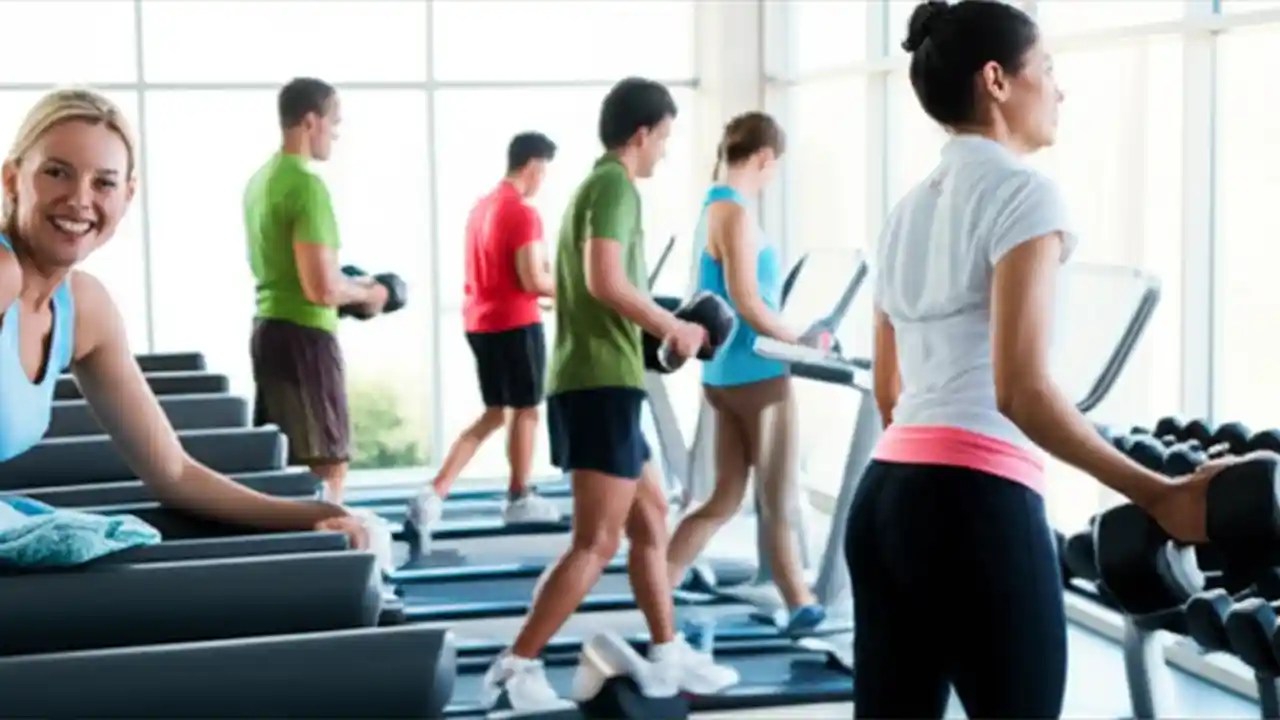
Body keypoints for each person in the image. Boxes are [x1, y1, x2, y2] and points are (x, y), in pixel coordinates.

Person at [847, 2, 1222, 717]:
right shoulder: (1024, 194)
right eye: (1046, 69)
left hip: (884, 500)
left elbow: (890, 393)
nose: (1059, 88)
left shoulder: (905, 211)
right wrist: (1159, 493)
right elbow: (1020, 390)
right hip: (974, 507)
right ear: (996, 80)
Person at [0, 88, 369, 548]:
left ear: (128, 194)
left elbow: (172, 473)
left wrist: (312, 515)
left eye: (104, 183)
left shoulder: (85, 308)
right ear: (13, 179)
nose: (79, 199)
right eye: (56, 173)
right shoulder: (3, 272)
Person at [478, 77, 739, 713]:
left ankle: (667, 651)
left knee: (651, 522)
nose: (666, 152)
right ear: (641, 134)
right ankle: (516, 665)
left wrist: (652, 332)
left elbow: (597, 289)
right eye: (666, 138)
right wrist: (671, 325)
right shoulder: (616, 187)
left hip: (604, 378)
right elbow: (605, 280)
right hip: (598, 384)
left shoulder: (595, 188)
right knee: (595, 543)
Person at [665, 111, 826, 634]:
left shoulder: (711, 208)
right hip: (759, 374)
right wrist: (799, 340)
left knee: (724, 497)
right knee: (778, 498)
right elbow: (748, 300)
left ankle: (658, 583)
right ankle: (800, 600)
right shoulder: (734, 213)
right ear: (763, 158)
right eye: (774, 166)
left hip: (722, 379)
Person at [406, 132, 561, 540]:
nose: (543, 179)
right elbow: (533, 277)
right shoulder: (524, 213)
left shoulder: (481, 209)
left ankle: (434, 492)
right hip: (515, 323)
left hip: (481, 323)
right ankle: (519, 496)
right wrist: (573, 291)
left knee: (497, 410)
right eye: (543, 171)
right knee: (525, 409)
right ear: (533, 166)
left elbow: (503, 274)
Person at [244, 77, 388, 504]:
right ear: (311, 121)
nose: (336, 134)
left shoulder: (261, 180)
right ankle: (332, 563)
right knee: (328, 466)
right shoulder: (307, 185)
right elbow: (322, 287)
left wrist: (352, 285)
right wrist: (370, 294)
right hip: (305, 338)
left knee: (287, 468)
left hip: (269, 331)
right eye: (334, 123)